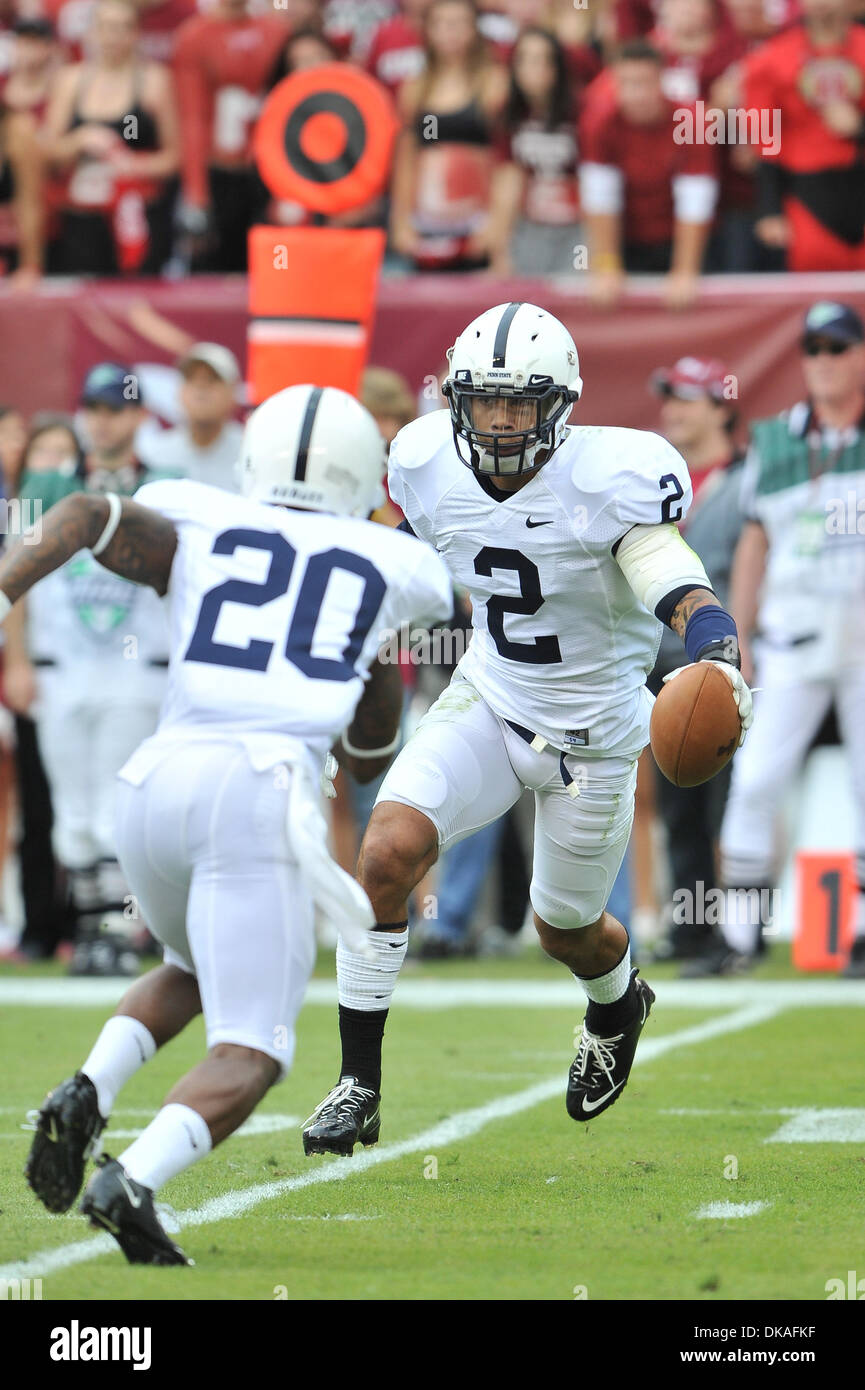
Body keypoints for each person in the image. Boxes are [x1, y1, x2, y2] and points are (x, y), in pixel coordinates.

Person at [302, 300, 753, 1158]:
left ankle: (617, 1003)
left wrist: (717, 651)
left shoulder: (607, 477)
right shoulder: (425, 461)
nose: (501, 419)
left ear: (562, 404)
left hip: (594, 737)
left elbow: (672, 582)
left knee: (565, 930)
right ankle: (357, 1082)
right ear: (456, 400)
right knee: (384, 854)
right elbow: (382, 556)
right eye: (485, 400)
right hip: (490, 698)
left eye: (521, 401)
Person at [17, 384, 453, 1266]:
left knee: (188, 965)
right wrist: (367, 677)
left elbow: (82, 510)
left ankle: (87, 1087)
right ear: (365, 474)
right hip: (256, 793)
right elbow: (370, 753)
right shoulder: (398, 563)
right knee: (255, 1048)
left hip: (156, 778)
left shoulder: (195, 510)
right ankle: (131, 1179)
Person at [710, 301, 865, 977]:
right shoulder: (773, 439)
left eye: (836, 347)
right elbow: (754, 542)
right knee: (753, 779)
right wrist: (735, 637)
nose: (823, 361)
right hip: (792, 633)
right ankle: (737, 937)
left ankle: (860, 935)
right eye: (812, 349)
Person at [3, 364, 171, 977]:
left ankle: (120, 929)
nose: (104, 420)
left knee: (120, 804)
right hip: (63, 664)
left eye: (116, 408)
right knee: (72, 809)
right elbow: (14, 577)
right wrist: (16, 659)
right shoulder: (45, 485)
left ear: (138, 416)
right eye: (94, 408)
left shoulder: (167, 484)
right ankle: (90, 928)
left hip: (137, 666)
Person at [646, 356, 746, 963]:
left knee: (732, 804)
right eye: (670, 397)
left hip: (732, 659)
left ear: (720, 406)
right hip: (664, 662)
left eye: (687, 397)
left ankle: (740, 931)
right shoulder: (659, 482)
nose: (673, 409)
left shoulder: (747, 477)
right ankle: (692, 928)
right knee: (678, 802)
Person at [42, 0, 180, 276]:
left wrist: (134, 165)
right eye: (106, 28)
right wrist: (80, 139)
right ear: (92, 32)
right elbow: (47, 150)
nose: (113, 37)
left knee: (135, 292)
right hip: (84, 214)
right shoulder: (71, 81)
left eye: (122, 28)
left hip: (136, 214)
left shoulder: (153, 81)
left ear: (136, 33)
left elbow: (175, 156)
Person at [579, 39, 719, 310]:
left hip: (682, 238)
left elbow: (696, 200)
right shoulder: (599, 122)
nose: (636, 94)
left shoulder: (690, 122)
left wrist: (684, 270)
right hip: (629, 236)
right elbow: (599, 199)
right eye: (627, 84)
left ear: (661, 82)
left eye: (643, 83)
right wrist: (607, 265)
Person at [745, 0, 865, 272]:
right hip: (807, 193)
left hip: (858, 174)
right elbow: (765, 138)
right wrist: (769, 208)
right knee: (816, 295)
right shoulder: (770, 59)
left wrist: (859, 127)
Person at [388, 0, 508, 271]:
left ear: (474, 29)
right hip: (428, 223)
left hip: (478, 222)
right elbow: (406, 159)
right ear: (427, 30)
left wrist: (498, 224)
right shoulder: (416, 87)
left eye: (457, 24)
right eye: (440, 24)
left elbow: (504, 161)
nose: (448, 32)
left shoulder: (494, 83)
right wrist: (401, 223)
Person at [140, 343, 243, 492]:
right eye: (191, 380)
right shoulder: (154, 455)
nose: (200, 388)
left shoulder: (250, 453)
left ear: (233, 392)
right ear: (179, 392)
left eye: (211, 380)